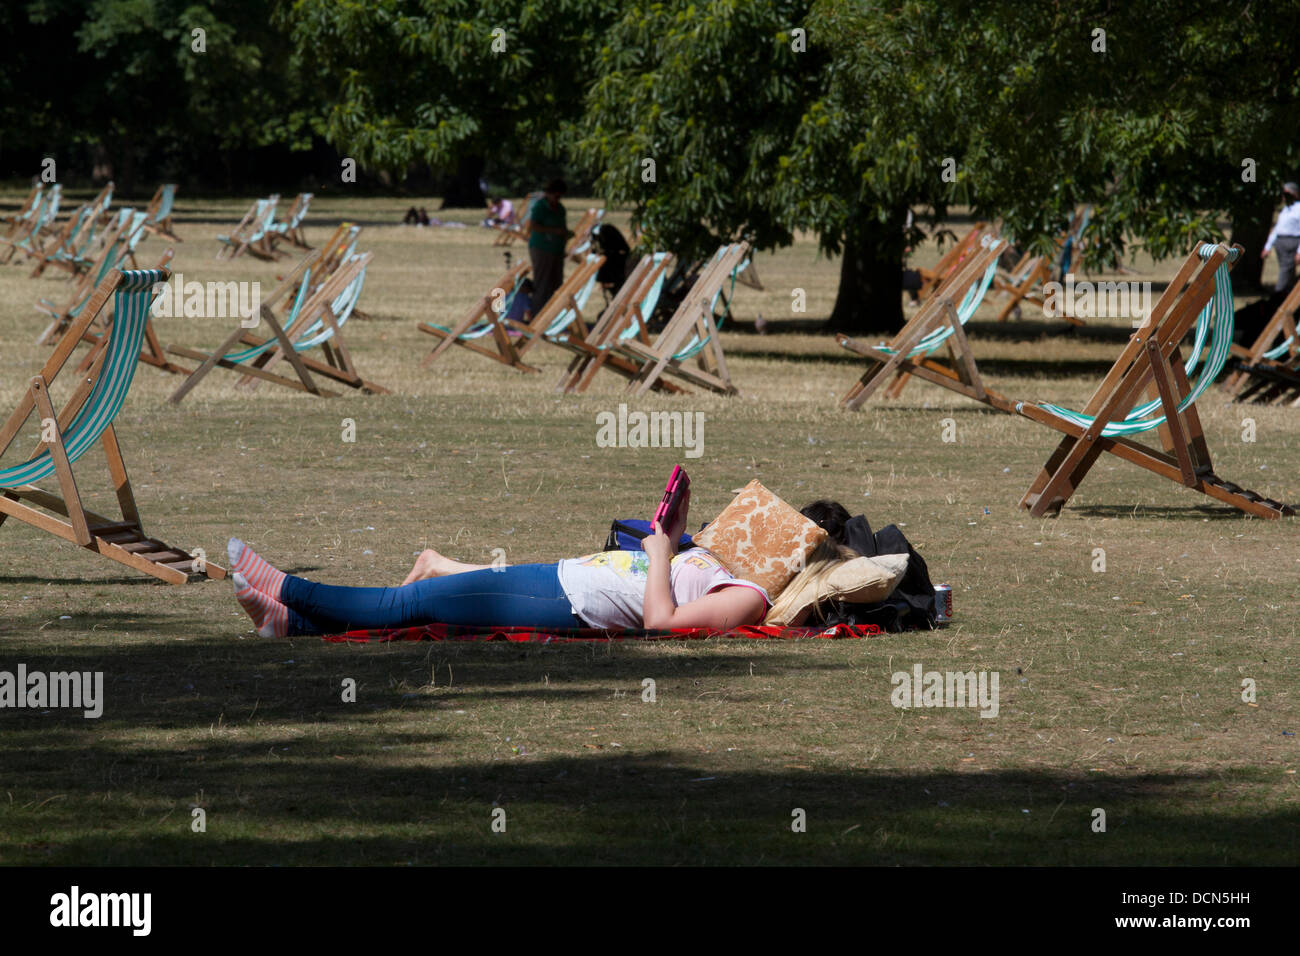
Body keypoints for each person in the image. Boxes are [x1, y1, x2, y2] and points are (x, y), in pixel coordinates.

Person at [224, 487, 818, 637]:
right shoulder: (715, 561)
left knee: (407, 605)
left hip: (567, 604)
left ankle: (287, 587)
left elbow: (660, 624)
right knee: (416, 606)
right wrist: (678, 536)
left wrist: (662, 552)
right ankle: (289, 626)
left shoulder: (751, 598)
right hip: (559, 578)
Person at [527, 179, 570, 308]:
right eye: (556, 196)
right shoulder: (540, 207)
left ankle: (553, 311)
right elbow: (533, 226)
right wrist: (554, 231)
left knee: (556, 283)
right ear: (549, 194)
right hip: (541, 248)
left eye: (560, 196)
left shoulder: (560, 208)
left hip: (557, 249)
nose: (558, 199)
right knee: (542, 282)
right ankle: (538, 311)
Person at [1262, 181, 1300, 292]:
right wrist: (1267, 247)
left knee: (1285, 271)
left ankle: (1278, 294)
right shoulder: (1285, 210)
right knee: (1288, 273)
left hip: (1292, 243)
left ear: (1295, 194)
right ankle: (1288, 297)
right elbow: (1277, 229)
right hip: (1281, 243)